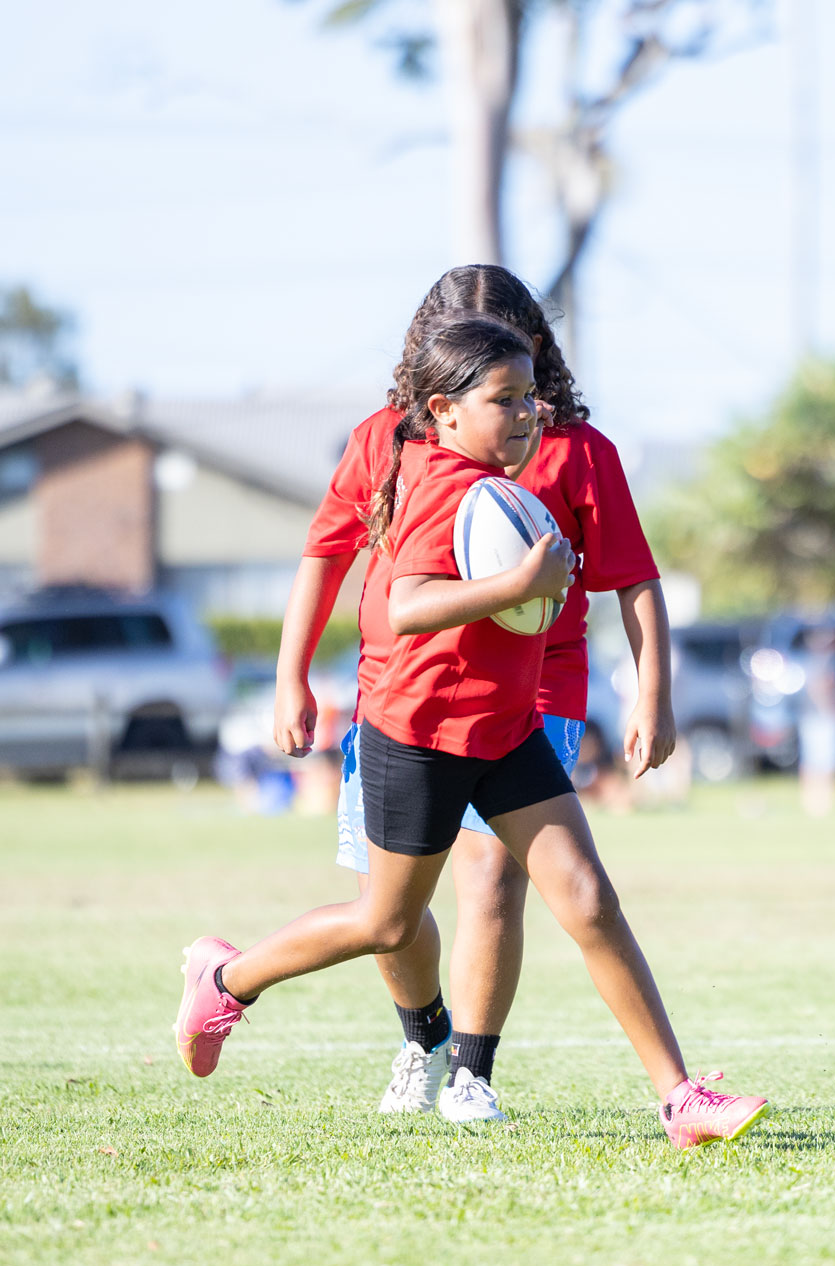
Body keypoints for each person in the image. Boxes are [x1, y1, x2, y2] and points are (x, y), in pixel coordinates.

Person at [175, 316, 769, 1151]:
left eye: (531, 396)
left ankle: (679, 1100)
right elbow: (407, 605)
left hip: (508, 733)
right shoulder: (442, 484)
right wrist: (519, 581)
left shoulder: (511, 486)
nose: (526, 413)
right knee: (386, 922)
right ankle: (225, 976)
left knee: (589, 899)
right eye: (504, 400)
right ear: (443, 411)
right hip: (416, 736)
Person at [273, 264, 677, 1123]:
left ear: (538, 353)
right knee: (389, 910)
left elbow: (633, 578)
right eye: (494, 383)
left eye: (522, 373)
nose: (520, 405)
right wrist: (291, 674)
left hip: (536, 696)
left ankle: (474, 1070)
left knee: (500, 877)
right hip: (404, 702)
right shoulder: (389, 441)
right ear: (440, 381)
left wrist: (651, 694)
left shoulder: (572, 449)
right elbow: (335, 556)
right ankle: (420, 1037)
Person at [795, 628, 835, 817]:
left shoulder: (814, 661)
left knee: (817, 761)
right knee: (821, 762)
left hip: (813, 717)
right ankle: (819, 801)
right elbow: (819, 688)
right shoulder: (824, 662)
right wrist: (831, 710)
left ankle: (815, 801)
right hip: (820, 718)